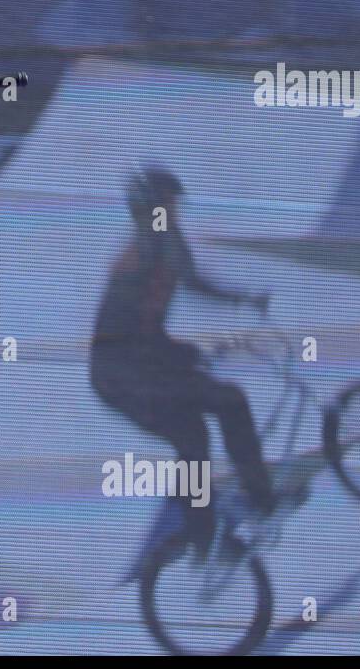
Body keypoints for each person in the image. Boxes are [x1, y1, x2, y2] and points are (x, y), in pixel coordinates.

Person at [89, 167, 275, 558]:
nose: (175, 211)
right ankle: (236, 510)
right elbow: (124, 341)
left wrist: (241, 302)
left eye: (175, 205)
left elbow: (192, 284)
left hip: (140, 366)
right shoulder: (138, 258)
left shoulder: (166, 243)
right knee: (225, 404)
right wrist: (184, 355)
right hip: (121, 378)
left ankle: (201, 519)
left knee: (196, 432)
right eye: (169, 204)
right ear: (149, 209)